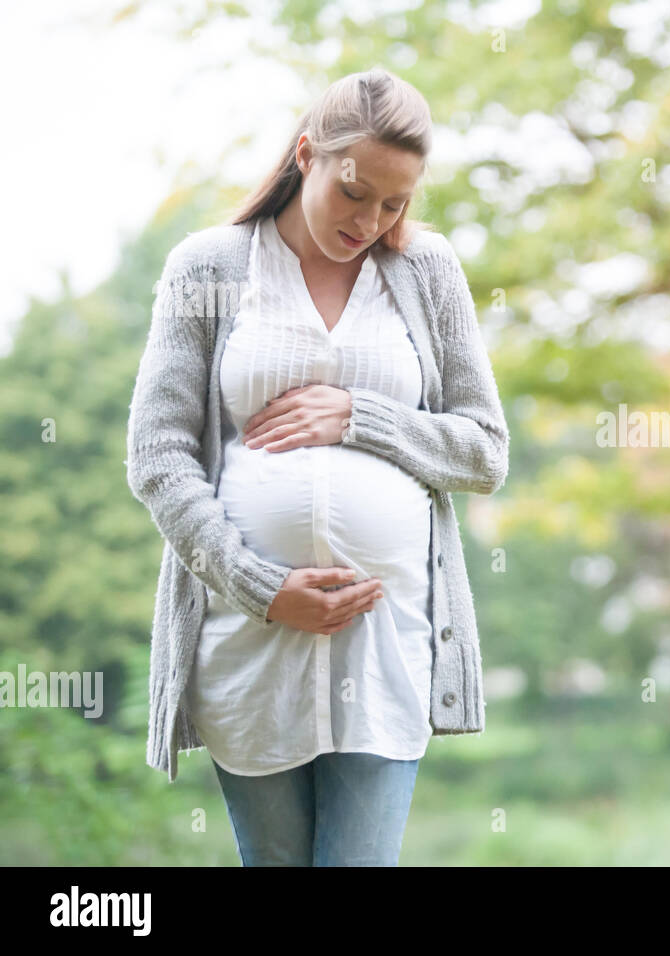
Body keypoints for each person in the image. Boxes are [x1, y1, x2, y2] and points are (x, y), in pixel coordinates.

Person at [124, 67, 509, 865]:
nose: (370, 220)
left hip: (386, 646)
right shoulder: (210, 267)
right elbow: (157, 457)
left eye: (395, 203)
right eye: (354, 192)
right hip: (248, 643)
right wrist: (263, 589)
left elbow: (484, 450)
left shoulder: (427, 273)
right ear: (308, 155)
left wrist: (358, 415)